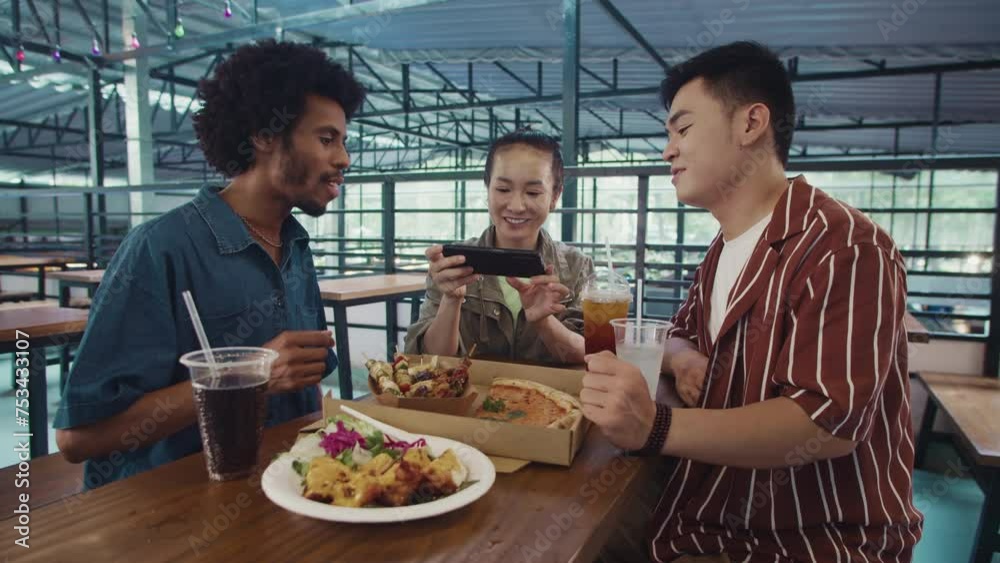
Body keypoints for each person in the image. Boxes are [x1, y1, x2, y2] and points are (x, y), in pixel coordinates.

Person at [582, 42, 923, 562]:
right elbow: (678, 332)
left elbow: (823, 424)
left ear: (751, 123)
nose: (667, 150)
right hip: (705, 514)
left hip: (805, 542)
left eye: (683, 129)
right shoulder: (724, 249)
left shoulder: (845, 245)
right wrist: (686, 357)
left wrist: (655, 426)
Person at [54, 40, 365, 489]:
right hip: (168, 516)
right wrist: (249, 375)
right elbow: (77, 438)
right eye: (326, 139)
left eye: (343, 141)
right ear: (263, 135)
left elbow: (304, 387)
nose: (344, 159)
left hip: (281, 497)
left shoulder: (295, 244)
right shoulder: (160, 248)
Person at [404, 129, 593, 365]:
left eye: (533, 192)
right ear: (487, 188)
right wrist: (451, 300)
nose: (516, 206)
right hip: (471, 401)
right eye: (503, 189)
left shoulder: (576, 266)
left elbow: (592, 354)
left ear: (555, 195)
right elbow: (428, 360)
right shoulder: (453, 265)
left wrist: (544, 321)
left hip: (551, 400)